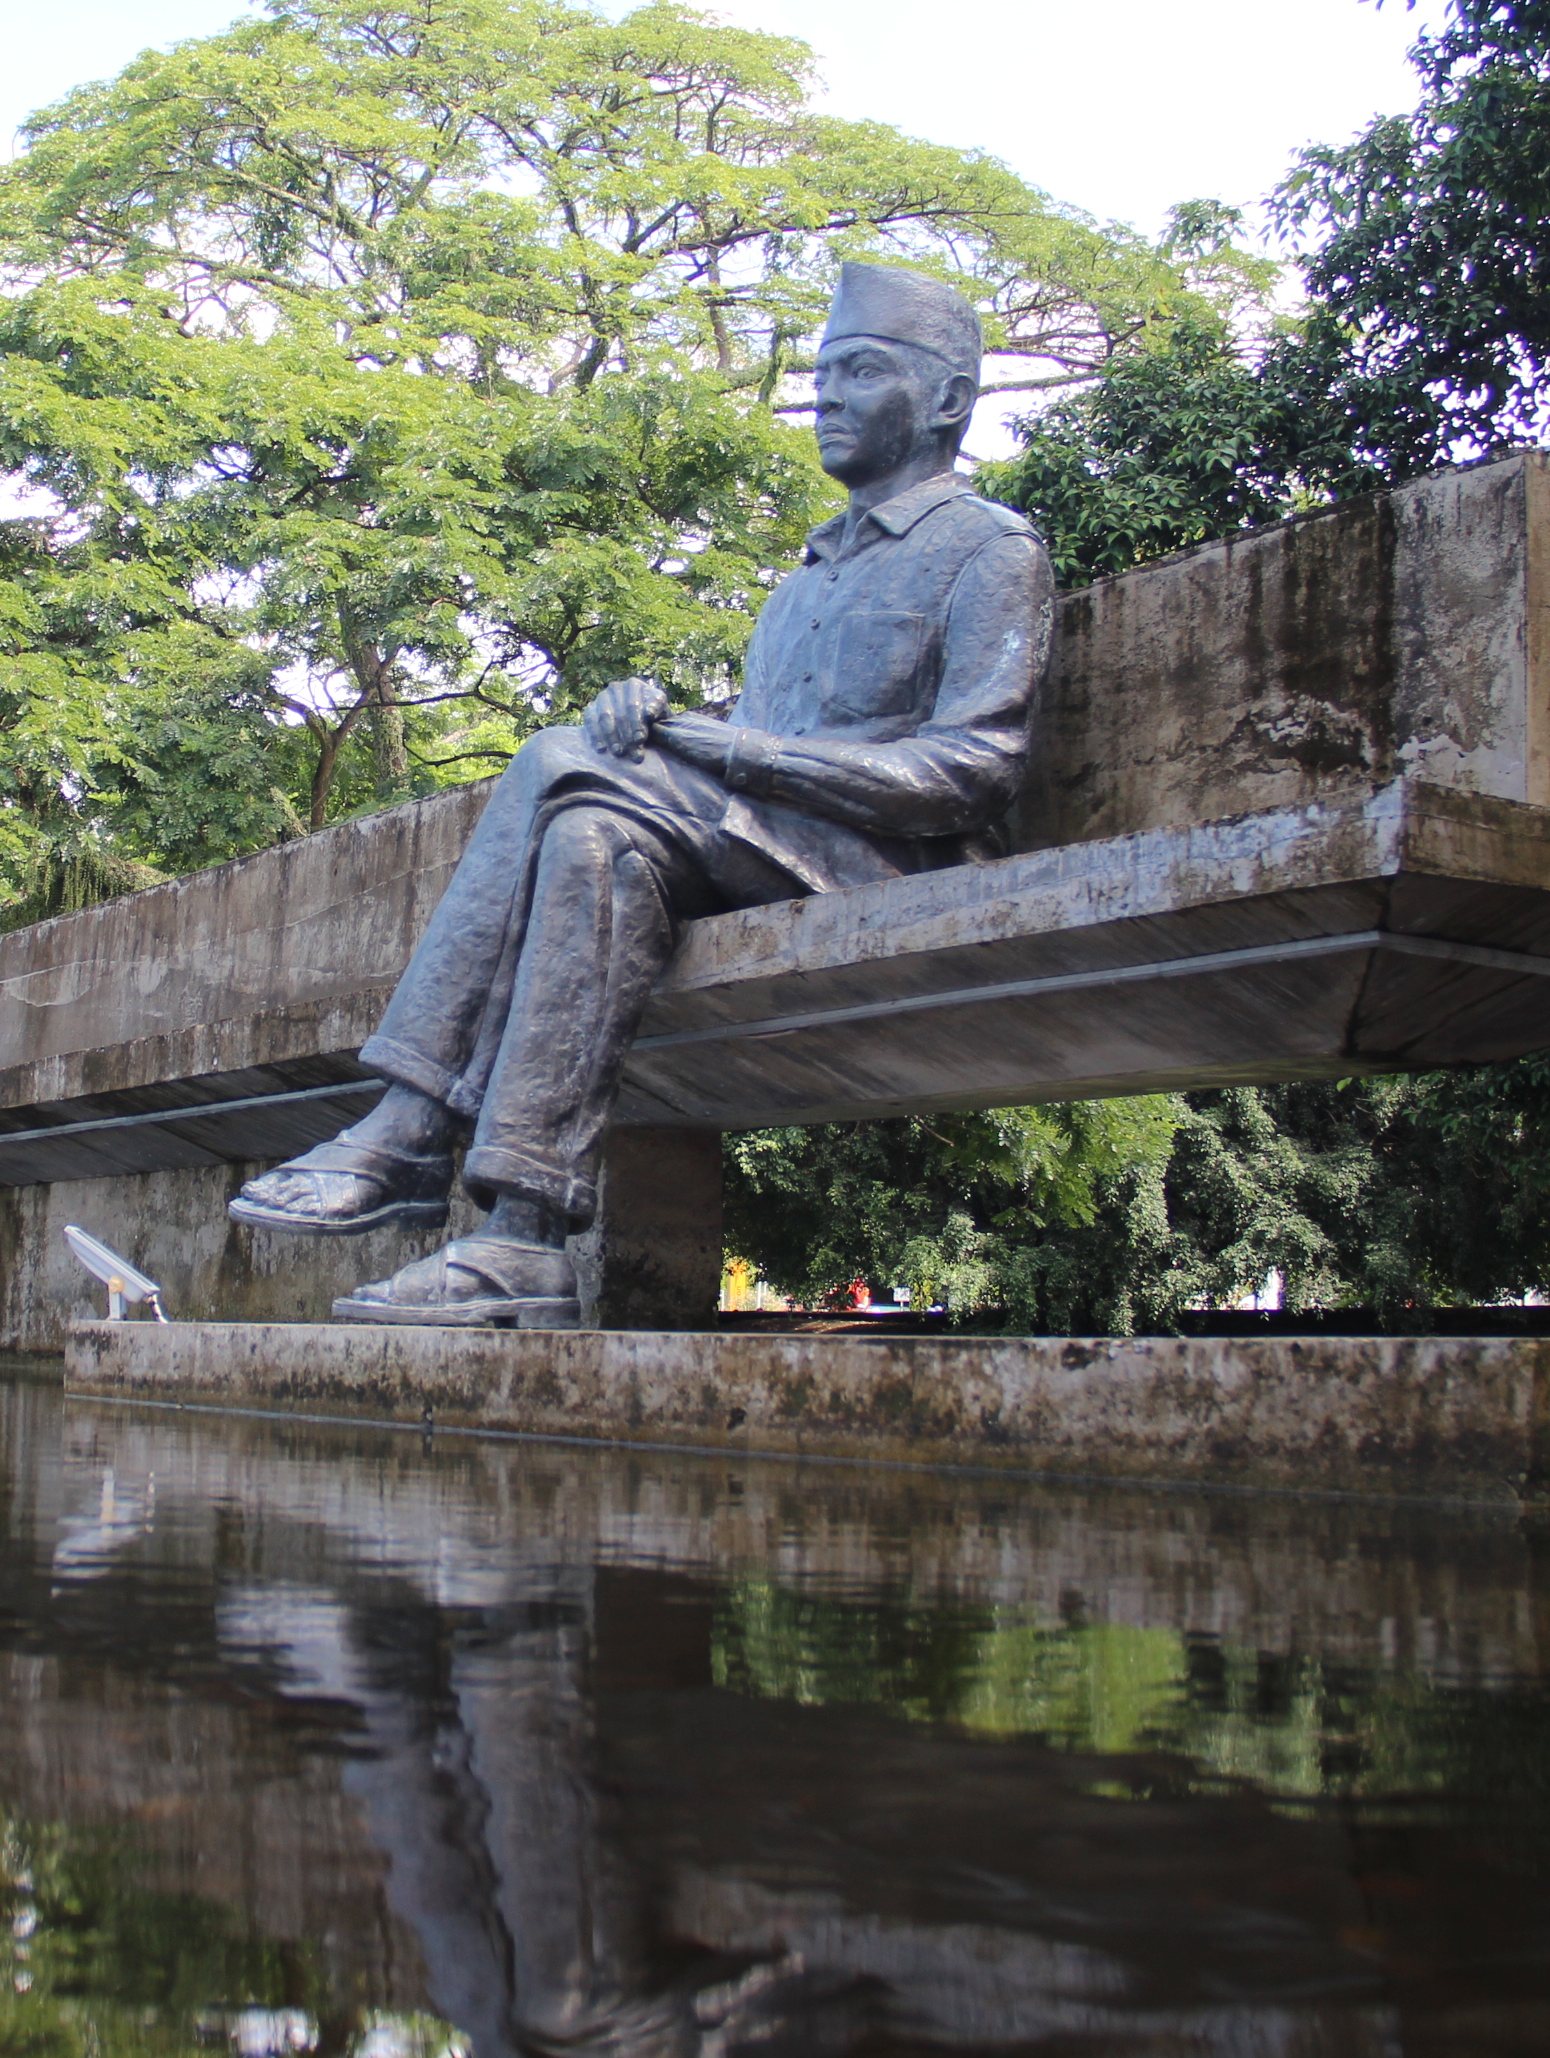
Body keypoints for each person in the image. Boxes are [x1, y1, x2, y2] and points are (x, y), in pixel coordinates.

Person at [227, 263, 1057, 1324]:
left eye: (859, 371)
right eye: (820, 375)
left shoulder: (988, 548)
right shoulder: (798, 589)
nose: (825, 397)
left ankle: (408, 1127)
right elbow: (744, 754)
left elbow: (973, 771)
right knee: (591, 835)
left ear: (947, 400)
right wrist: (654, 723)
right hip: (767, 848)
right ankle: (523, 1239)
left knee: (552, 760)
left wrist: (732, 754)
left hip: (890, 863)